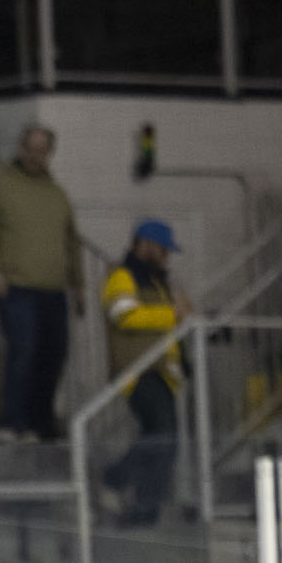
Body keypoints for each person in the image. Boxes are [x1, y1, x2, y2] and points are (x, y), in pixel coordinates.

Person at [0, 125, 79, 441]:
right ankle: (16, 420)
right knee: (24, 347)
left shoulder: (56, 194)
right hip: (16, 286)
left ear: (49, 153)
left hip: (54, 289)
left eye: (42, 150)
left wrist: (80, 284)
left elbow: (71, 240)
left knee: (55, 353)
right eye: (30, 148)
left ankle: (42, 420)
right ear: (20, 147)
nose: (35, 156)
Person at [101, 221, 183, 527]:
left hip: (158, 373)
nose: (166, 257)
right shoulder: (122, 276)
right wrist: (174, 313)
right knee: (164, 438)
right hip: (139, 372)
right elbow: (124, 314)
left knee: (158, 440)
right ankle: (124, 487)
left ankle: (135, 500)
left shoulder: (156, 282)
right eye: (163, 250)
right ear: (144, 245)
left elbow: (164, 324)